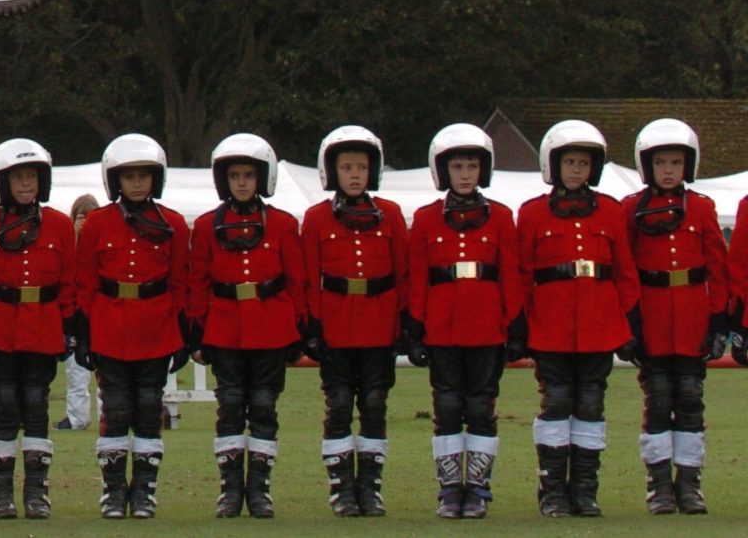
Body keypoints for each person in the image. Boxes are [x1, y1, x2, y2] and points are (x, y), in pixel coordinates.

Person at [515, 120, 638, 518]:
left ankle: (585, 491)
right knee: (557, 403)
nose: (576, 170)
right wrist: (522, 324)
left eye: (583, 163)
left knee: (590, 405)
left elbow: (624, 272)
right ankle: (552, 492)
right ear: (554, 165)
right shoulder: (532, 213)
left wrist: (626, 320)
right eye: (569, 161)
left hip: (599, 325)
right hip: (551, 327)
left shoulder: (611, 211)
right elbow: (522, 275)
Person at [403, 123, 523, 520]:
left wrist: (515, 325)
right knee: (448, 407)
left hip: (487, 327)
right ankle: (450, 488)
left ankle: (479, 488)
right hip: (442, 328)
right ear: (444, 171)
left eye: (472, 165)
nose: (466, 173)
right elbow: (417, 277)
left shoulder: (502, 217)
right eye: (458, 166)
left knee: (481, 407)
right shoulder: (424, 219)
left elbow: (510, 274)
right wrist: (415, 329)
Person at [188, 134, 307, 519]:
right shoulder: (207, 226)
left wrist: (298, 328)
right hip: (224, 328)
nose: (242, 182)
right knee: (230, 407)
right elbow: (198, 282)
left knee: (263, 407)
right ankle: (229, 491)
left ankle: (259, 490)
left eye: (249, 175)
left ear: (263, 178)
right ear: (224, 180)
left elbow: (296, 280)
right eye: (235, 175)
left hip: (270, 327)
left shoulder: (284, 225)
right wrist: (198, 330)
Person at [73, 133, 190, 519]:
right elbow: (86, 282)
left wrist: (181, 334)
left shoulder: (172, 224)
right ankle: (112, 492)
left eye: (144, 175)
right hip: (109, 326)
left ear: (156, 179)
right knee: (115, 409)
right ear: (115, 181)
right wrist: (86, 332)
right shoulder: (96, 224)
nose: (137, 183)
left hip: (155, 327)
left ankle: (143, 491)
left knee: (148, 409)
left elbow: (179, 283)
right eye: (129, 176)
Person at [299, 125, 408, 517]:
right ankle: (342, 488)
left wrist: (403, 325)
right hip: (336, 323)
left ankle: (370, 487)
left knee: (375, 405)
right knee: (340, 405)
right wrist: (312, 326)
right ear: (333, 172)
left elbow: (403, 274)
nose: (355, 174)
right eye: (347, 167)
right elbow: (310, 276)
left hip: (378, 324)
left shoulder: (391, 215)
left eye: (362, 166)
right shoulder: (316, 218)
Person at [624, 118, 728, 515]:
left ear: (689, 166)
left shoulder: (701, 207)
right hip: (651, 318)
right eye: (661, 162)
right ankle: (658, 486)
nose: (668, 170)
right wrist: (630, 321)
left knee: (689, 401)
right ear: (646, 165)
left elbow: (717, 268)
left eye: (676, 163)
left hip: (691, 319)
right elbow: (624, 268)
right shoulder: (632, 209)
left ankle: (689, 485)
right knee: (658, 399)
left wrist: (719, 320)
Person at [0, 137, 74, 520]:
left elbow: (68, 281)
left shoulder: (60, 225)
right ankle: (0, 493)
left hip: (44, 326)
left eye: (32, 177)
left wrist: (68, 325)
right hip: (2, 327)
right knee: (5, 407)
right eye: (19, 178)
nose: (27, 184)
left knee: (36, 407)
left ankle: (36, 491)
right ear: (2, 183)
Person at [56, 194, 100, 433]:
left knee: (105, 373)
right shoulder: (67, 238)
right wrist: (74, 235)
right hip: (75, 313)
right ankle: (76, 417)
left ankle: (109, 413)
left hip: (98, 312)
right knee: (76, 371)